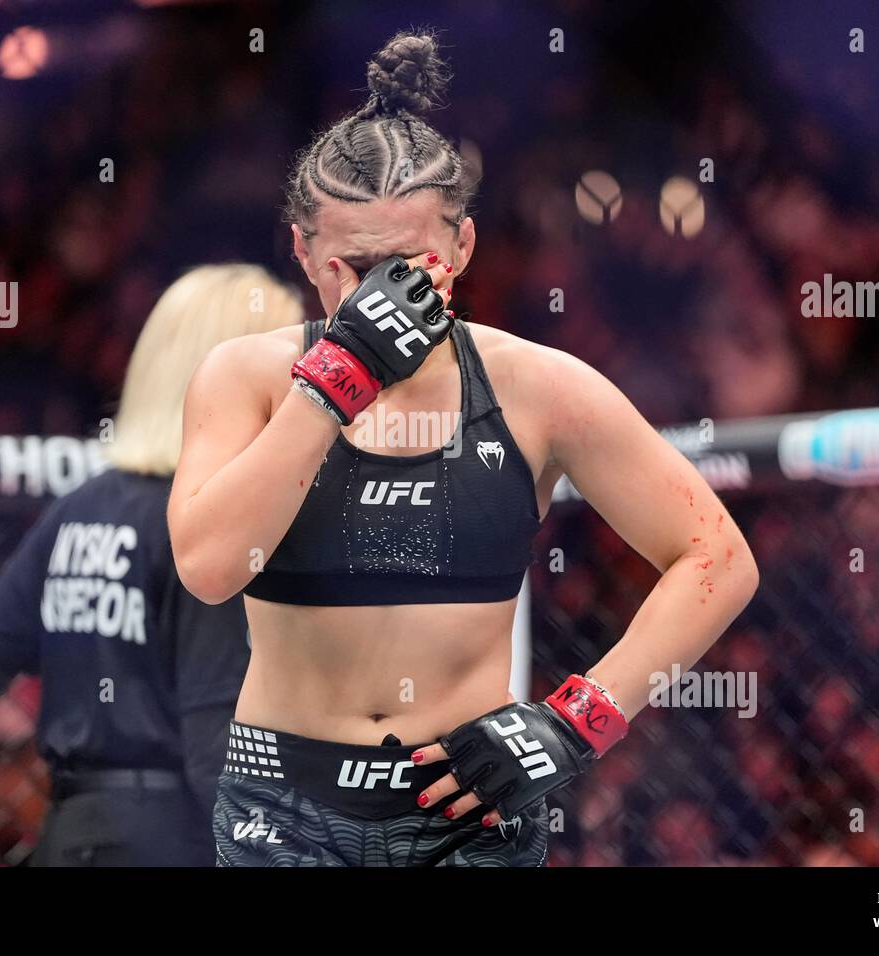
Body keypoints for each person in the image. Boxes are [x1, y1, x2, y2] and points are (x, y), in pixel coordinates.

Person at [169, 31, 759, 867]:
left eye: (408, 267)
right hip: (285, 808)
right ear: (303, 253)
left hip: (470, 810)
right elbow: (209, 567)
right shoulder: (247, 376)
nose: (380, 296)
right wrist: (336, 377)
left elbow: (719, 559)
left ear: (464, 248)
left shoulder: (539, 388)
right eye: (355, 269)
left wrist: (574, 721)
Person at [0, 264, 303, 866]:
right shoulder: (206, 533)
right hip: (175, 842)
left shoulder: (76, 513)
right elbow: (213, 751)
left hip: (69, 838)